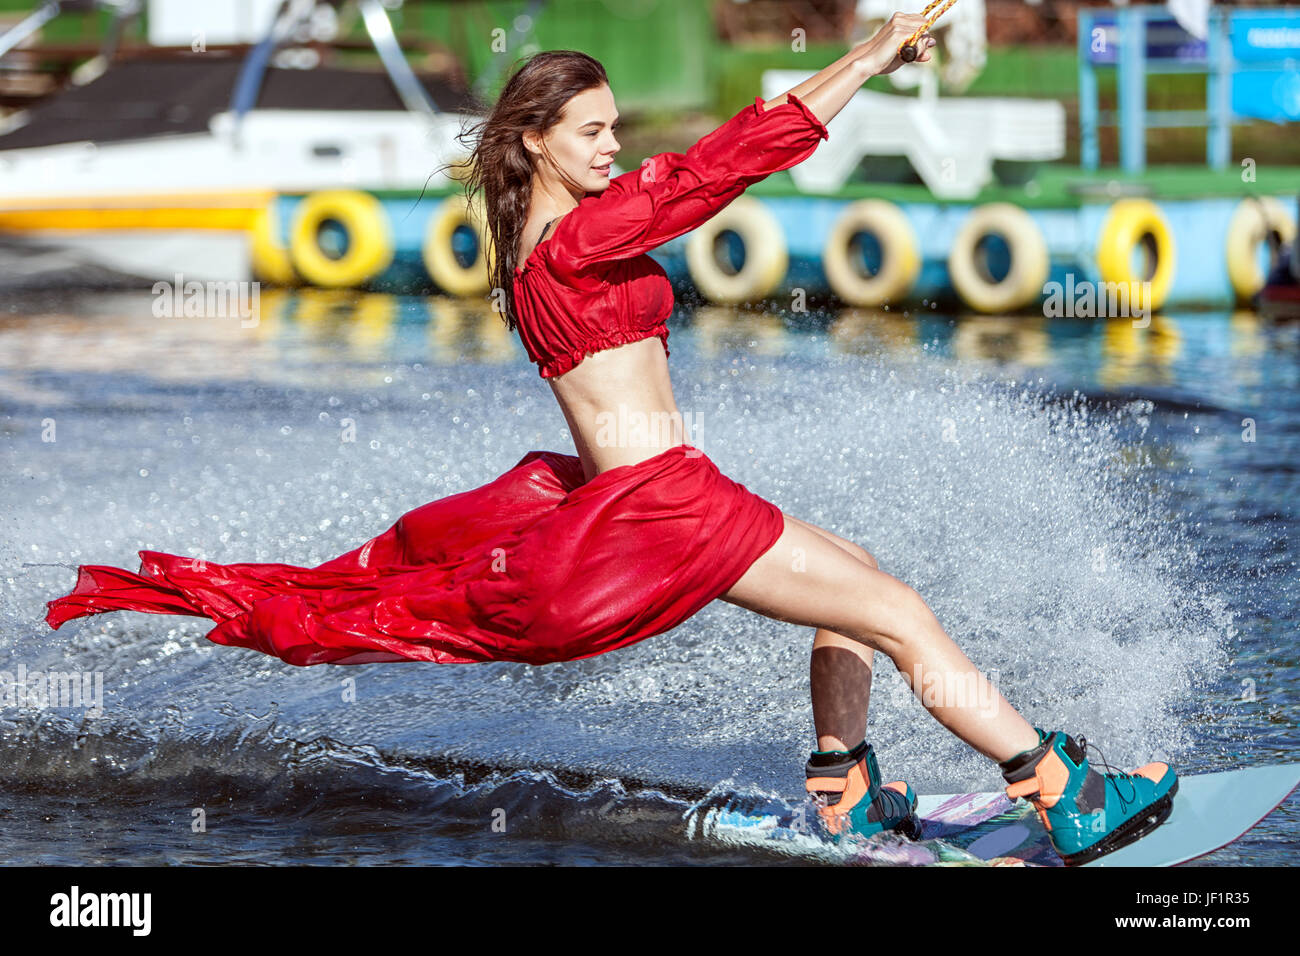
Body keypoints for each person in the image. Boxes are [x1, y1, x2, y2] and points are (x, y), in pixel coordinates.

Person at [46, 13, 1175, 865]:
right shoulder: (578, 239)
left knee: (866, 588)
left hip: (653, 499)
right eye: (590, 130)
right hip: (664, 508)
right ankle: (1055, 789)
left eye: (614, 128)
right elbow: (713, 169)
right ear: (532, 141)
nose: (611, 145)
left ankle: (840, 783)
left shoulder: (531, 254)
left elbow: (662, 218)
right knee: (901, 614)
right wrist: (869, 53)